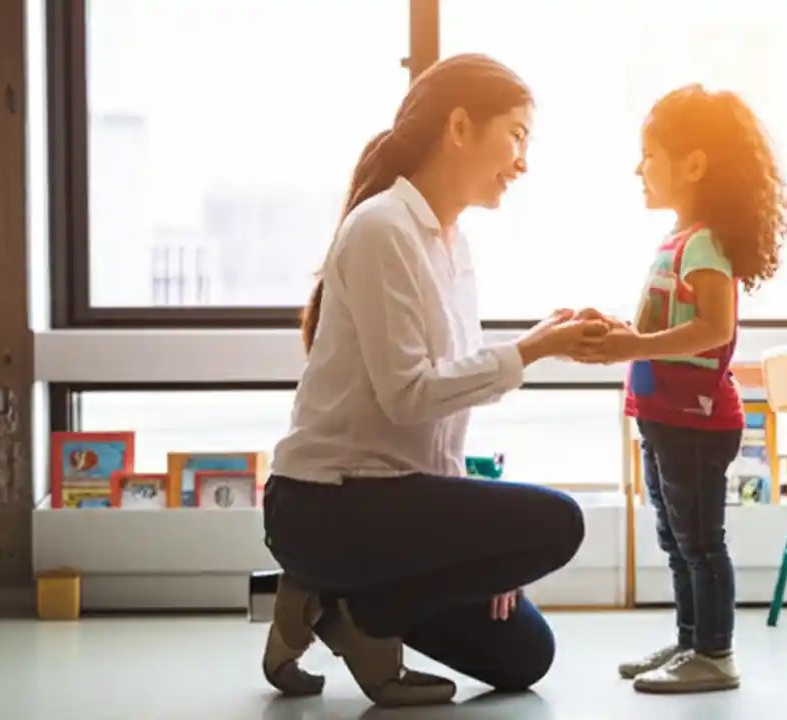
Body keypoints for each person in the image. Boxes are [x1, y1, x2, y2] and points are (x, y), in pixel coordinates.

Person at [259, 54, 603, 709]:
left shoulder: (453, 246)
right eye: (518, 135)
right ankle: (347, 601)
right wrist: (532, 349)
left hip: (397, 507)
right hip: (327, 508)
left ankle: (340, 601)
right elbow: (410, 394)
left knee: (524, 654)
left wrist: (489, 546)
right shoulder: (382, 228)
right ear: (459, 126)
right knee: (560, 524)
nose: (523, 160)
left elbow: (442, 419)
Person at [580, 84, 787, 694]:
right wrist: (620, 331)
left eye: (649, 154)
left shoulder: (704, 242)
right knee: (676, 541)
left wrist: (631, 346)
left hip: (695, 421)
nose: (638, 169)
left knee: (700, 542)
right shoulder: (680, 239)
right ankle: (691, 639)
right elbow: (670, 325)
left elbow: (713, 329)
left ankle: (715, 653)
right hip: (666, 415)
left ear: (693, 164)